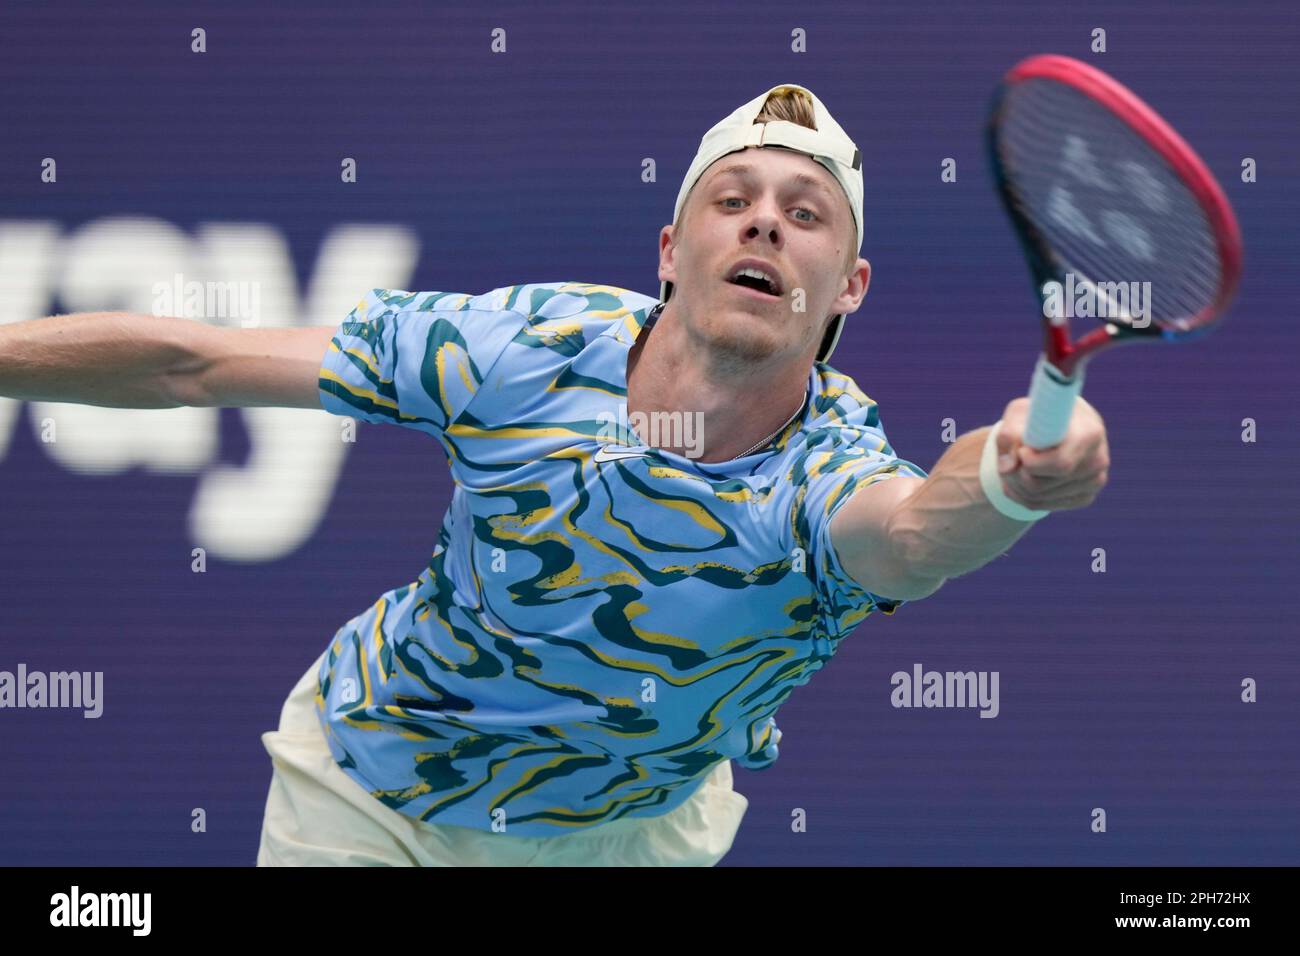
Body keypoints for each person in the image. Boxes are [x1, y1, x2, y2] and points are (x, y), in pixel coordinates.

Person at [0, 83, 1109, 867]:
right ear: (670, 250)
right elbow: (194, 363)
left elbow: (915, 530)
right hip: (377, 778)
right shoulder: (516, 349)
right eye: (732, 199)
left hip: (628, 836)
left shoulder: (827, 472)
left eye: (804, 213)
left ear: (848, 285)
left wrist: (1015, 477)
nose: (765, 218)